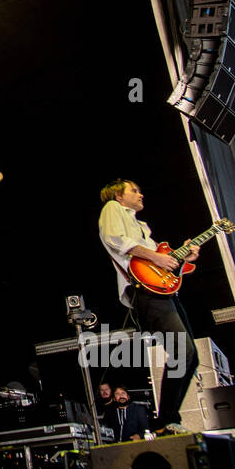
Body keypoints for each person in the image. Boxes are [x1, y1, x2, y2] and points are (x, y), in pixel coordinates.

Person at [97, 178, 199, 431]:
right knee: (183, 351)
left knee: (191, 356)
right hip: (145, 293)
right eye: (134, 190)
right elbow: (115, 239)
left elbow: (162, 266)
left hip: (162, 291)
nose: (140, 194)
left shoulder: (142, 227)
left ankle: (168, 419)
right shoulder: (112, 208)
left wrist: (183, 258)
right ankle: (167, 420)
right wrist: (155, 257)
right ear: (119, 196)